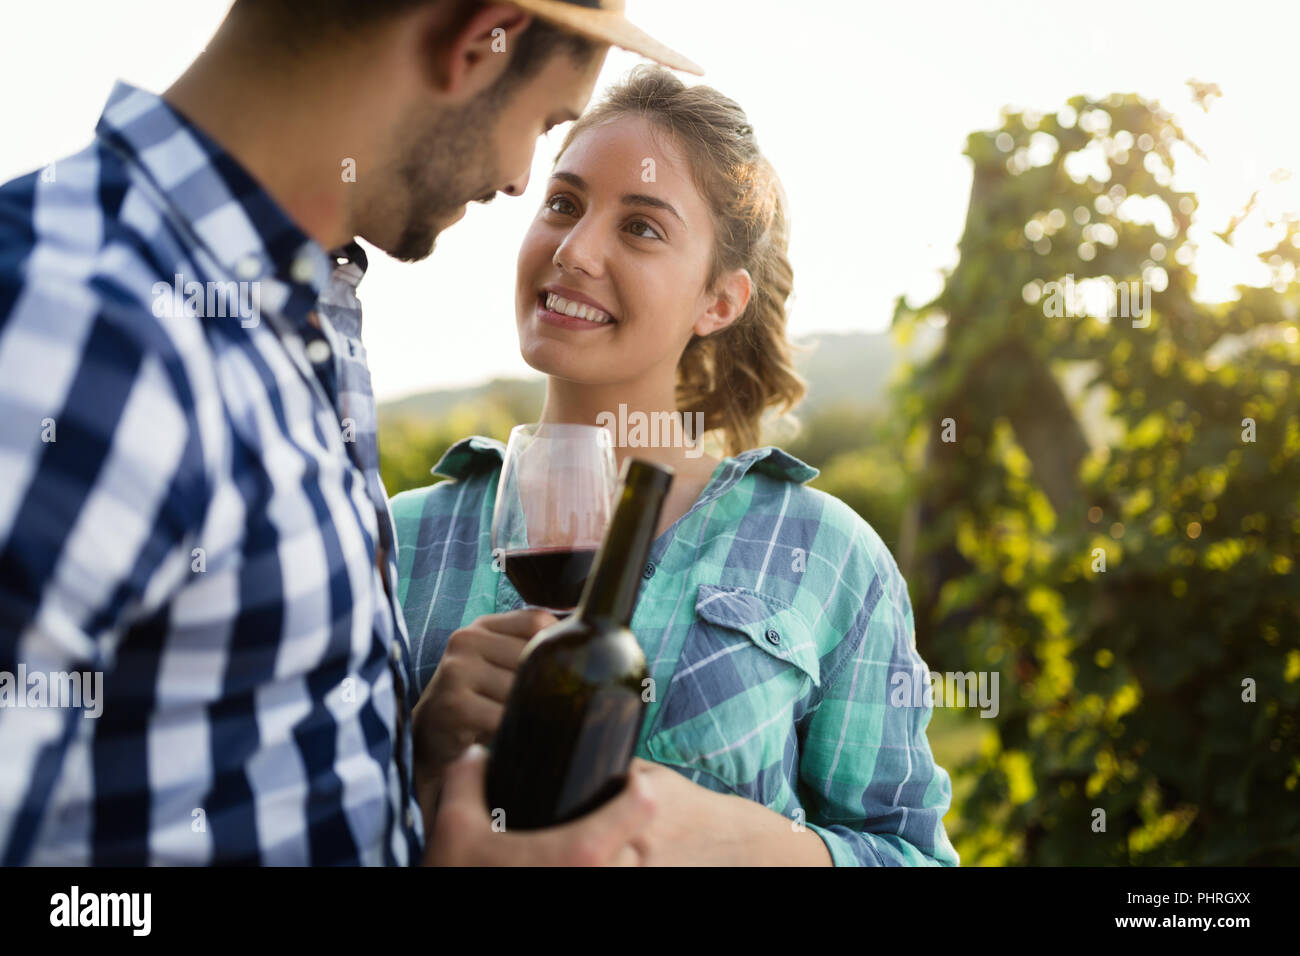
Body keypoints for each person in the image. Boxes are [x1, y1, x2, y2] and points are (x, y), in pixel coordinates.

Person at [0, 0, 702, 866]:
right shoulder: (69, 323)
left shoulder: (305, 315)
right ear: (479, 42)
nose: (522, 177)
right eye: (545, 121)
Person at [392, 66, 960, 865]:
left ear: (718, 302)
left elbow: (915, 856)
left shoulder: (829, 558)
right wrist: (416, 756)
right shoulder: (391, 539)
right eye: (563, 204)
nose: (577, 249)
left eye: (643, 228)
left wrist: (748, 844)